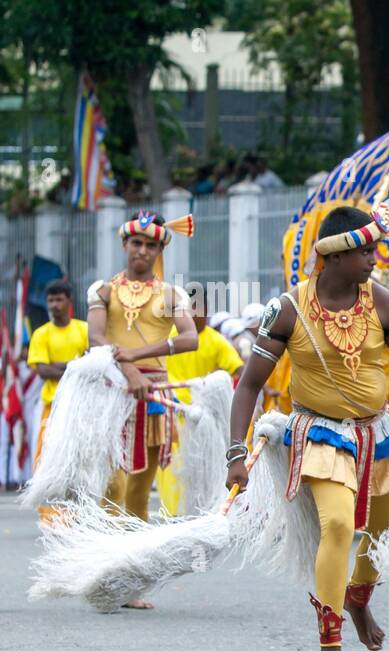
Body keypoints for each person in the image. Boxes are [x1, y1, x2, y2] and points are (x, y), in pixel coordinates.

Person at [225, 205, 389, 651]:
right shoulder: (287, 310)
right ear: (335, 256)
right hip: (318, 432)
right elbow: (250, 385)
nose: (375, 259)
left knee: (385, 533)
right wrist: (237, 451)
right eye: (365, 251)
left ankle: (358, 599)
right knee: (338, 525)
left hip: (377, 433)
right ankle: (330, 644)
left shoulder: (384, 303)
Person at [86, 210, 200, 587]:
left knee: (137, 489)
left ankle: (130, 579)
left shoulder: (172, 294)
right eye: (137, 243)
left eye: (151, 245)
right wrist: (127, 367)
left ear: (159, 250)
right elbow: (96, 339)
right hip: (112, 394)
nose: (142, 251)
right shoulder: (103, 290)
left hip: (153, 399)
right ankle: (105, 568)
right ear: (125, 244)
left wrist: (136, 358)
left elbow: (189, 338)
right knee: (111, 485)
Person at [156, 300, 246, 515]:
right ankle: (173, 515)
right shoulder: (170, 339)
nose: (196, 314)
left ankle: (201, 512)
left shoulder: (217, 342)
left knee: (203, 467)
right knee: (171, 468)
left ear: (207, 311)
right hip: (172, 411)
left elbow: (240, 371)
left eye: (200, 309)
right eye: (191, 309)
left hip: (204, 419)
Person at [25, 279, 89, 521]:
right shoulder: (41, 334)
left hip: (80, 408)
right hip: (52, 408)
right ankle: (51, 515)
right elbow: (42, 371)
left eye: (59, 299)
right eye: (50, 300)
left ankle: (78, 513)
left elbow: (91, 363)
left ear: (69, 302)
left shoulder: (83, 329)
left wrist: (60, 366)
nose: (54, 304)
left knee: (80, 461)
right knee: (47, 459)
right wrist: (74, 365)